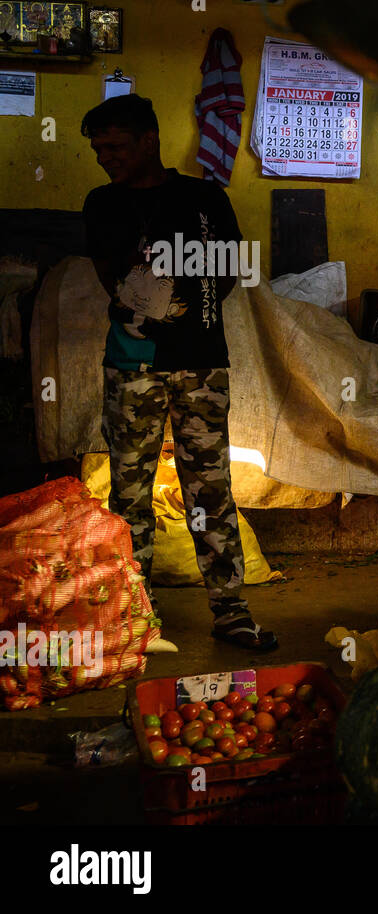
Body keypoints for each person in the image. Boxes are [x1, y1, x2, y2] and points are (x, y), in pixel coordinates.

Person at [81, 93, 277, 650]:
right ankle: (134, 615)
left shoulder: (203, 198)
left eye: (116, 146)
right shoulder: (101, 204)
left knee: (210, 490)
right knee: (130, 495)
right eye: (99, 149)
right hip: (131, 366)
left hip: (201, 366)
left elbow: (231, 273)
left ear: (150, 140)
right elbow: (106, 277)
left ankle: (232, 612)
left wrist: (183, 316)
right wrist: (148, 310)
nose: (106, 158)